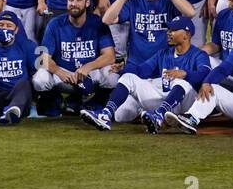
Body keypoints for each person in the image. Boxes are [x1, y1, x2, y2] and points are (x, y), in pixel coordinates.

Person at [82, 17, 211, 133]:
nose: (168, 33)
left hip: (184, 104)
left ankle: (158, 116)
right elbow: (142, 70)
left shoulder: (199, 55)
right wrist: (123, 68)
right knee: (128, 78)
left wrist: (185, 74)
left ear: (186, 35)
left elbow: (204, 74)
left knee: (182, 82)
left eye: (173, 30)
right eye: (168, 30)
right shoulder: (163, 53)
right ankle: (105, 115)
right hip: (164, 100)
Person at [35, 0, 118, 116]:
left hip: (90, 73)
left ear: (87, 2)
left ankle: (97, 101)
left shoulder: (98, 23)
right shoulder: (54, 23)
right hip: (64, 74)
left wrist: (88, 67)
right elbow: (42, 58)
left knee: (112, 76)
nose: (74, 3)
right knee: (40, 78)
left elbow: (110, 56)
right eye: (70, 0)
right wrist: (58, 71)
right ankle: (53, 101)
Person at [103, 0, 198, 68]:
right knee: (121, 84)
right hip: (136, 64)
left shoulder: (168, 0)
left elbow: (191, 13)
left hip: (163, 64)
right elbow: (107, 20)